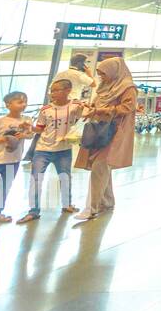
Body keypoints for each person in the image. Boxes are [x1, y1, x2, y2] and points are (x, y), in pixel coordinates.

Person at [74, 57, 136, 223]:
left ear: (114, 71)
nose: (101, 76)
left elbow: (128, 108)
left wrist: (103, 110)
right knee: (101, 167)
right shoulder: (104, 86)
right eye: (100, 73)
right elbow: (95, 105)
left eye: (103, 73)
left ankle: (92, 208)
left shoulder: (127, 87)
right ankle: (107, 202)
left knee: (99, 166)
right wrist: (89, 109)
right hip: (98, 130)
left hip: (115, 131)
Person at [18, 79, 83, 223]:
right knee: (36, 179)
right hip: (43, 150)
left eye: (56, 90)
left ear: (67, 90)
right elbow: (40, 129)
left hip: (64, 150)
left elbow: (84, 118)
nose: (52, 93)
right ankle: (33, 211)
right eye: (51, 90)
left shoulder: (76, 106)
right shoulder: (45, 109)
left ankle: (67, 204)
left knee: (65, 178)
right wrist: (29, 127)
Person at [0, 90, 31, 223]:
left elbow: (30, 135)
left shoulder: (27, 120)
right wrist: (3, 140)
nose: (23, 105)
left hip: (13, 160)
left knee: (5, 188)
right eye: (19, 102)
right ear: (8, 104)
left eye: (25, 102)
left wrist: (24, 133)